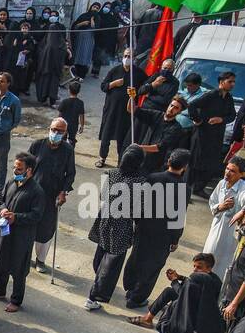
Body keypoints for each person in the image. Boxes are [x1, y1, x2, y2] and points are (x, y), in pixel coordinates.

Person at [122, 148, 190, 308]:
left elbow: (139, 203)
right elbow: (179, 216)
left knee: (137, 258)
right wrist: (175, 239)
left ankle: (130, 288)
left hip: (144, 227)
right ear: (184, 167)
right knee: (152, 266)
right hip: (164, 234)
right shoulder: (183, 188)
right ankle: (137, 298)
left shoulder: (152, 178)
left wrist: (137, 222)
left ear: (168, 161)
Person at [85, 146, 145, 310]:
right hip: (122, 225)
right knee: (111, 264)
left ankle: (98, 278)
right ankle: (94, 296)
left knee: (102, 251)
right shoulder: (140, 182)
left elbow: (102, 196)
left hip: (105, 219)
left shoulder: (111, 174)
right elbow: (138, 210)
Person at [0, 151, 44, 312]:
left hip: (22, 236)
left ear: (29, 170)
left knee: (18, 269)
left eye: (19, 169)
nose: (15, 172)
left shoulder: (36, 191)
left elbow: (36, 215)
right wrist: (3, 209)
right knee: (0, 263)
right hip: (5, 231)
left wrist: (16, 217)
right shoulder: (11, 182)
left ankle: (16, 300)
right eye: (15, 168)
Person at [27, 117, 76, 270]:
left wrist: (64, 192)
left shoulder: (68, 150)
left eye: (59, 131)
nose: (55, 133)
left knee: (46, 229)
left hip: (52, 196)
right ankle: (24, 257)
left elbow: (70, 174)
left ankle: (40, 261)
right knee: (28, 225)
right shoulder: (37, 145)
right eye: (53, 129)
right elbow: (26, 165)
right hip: (32, 193)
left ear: (65, 133)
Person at [187, 70, 236, 195]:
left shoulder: (229, 98)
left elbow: (232, 115)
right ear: (221, 82)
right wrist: (198, 121)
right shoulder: (211, 95)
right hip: (202, 133)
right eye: (230, 81)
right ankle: (186, 188)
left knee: (211, 163)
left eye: (233, 82)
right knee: (195, 161)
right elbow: (192, 105)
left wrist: (221, 119)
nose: (232, 84)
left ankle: (198, 188)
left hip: (217, 135)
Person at [203, 156, 245, 272]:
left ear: (241, 174)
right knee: (208, 257)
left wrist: (242, 212)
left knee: (223, 265)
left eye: (232, 171)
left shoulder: (244, 188)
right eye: (227, 169)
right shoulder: (221, 184)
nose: (228, 173)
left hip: (230, 235)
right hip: (216, 229)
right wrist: (220, 207)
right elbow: (212, 203)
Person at [96, 48, 145, 168]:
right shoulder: (115, 70)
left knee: (122, 137)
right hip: (111, 109)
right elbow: (103, 86)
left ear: (134, 58)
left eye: (129, 56)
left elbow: (145, 87)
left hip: (126, 112)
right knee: (106, 135)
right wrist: (113, 84)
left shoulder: (138, 73)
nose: (127, 58)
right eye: (125, 56)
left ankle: (121, 160)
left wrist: (136, 93)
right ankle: (102, 158)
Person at [58, 79, 85, 146]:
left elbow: (60, 114)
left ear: (69, 90)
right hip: (74, 125)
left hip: (64, 124)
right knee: (72, 139)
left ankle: (61, 150)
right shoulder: (80, 103)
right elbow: (81, 116)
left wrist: (58, 123)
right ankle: (70, 151)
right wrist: (82, 126)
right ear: (78, 91)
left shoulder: (64, 101)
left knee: (62, 138)